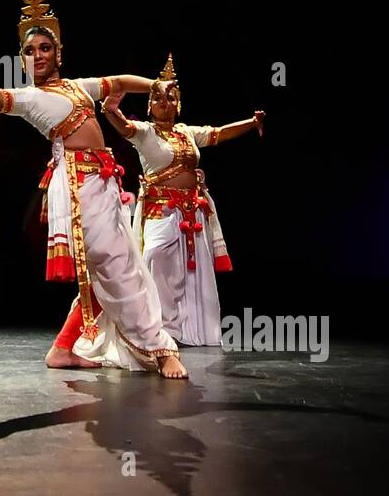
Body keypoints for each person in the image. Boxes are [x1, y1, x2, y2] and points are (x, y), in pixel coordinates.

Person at [0, 0, 184, 375]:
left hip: (104, 183)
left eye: (45, 47)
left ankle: (63, 348)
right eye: (29, 50)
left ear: (58, 52)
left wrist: (156, 84)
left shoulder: (79, 86)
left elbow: (118, 81)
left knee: (114, 265)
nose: (37, 55)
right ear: (21, 59)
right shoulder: (30, 97)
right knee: (114, 263)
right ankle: (159, 349)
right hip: (79, 186)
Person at [99, 54, 265, 348]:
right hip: (161, 211)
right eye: (160, 98)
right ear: (149, 106)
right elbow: (121, 125)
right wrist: (111, 105)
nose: (166, 103)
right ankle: (160, 329)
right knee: (156, 257)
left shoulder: (187, 133)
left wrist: (251, 124)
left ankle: (192, 330)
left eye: (172, 98)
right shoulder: (145, 133)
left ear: (179, 104)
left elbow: (219, 134)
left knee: (193, 272)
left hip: (193, 212)